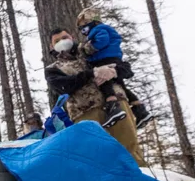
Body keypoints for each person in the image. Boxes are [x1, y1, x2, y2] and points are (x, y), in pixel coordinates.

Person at [45, 29, 144, 165]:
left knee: (130, 150)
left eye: (65, 37)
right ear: (51, 46)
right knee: (98, 159)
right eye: (57, 41)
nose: (62, 41)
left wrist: (114, 71)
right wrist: (92, 73)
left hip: (118, 104)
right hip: (84, 113)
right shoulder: (53, 69)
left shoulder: (92, 51)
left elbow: (126, 68)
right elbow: (64, 87)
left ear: (72, 37)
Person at [76, 8, 153, 130]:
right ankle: (139, 109)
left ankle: (112, 105)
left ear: (92, 21)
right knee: (120, 85)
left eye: (84, 25)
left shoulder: (99, 29)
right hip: (112, 58)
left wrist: (88, 48)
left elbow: (102, 40)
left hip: (104, 60)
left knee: (103, 81)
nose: (83, 30)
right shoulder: (102, 29)